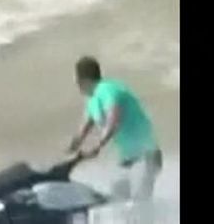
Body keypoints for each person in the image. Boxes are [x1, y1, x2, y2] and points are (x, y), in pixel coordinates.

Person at [66, 56, 163, 205]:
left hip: (147, 155)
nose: (75, 83)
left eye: (76, 79)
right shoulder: (92, 101)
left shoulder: (108, 89)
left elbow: (113, 121)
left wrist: (98, 146)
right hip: (127, 160)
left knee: (140, 203)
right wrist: (70, 150)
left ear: (82, 80)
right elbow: (82, 132)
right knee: (117, 201)